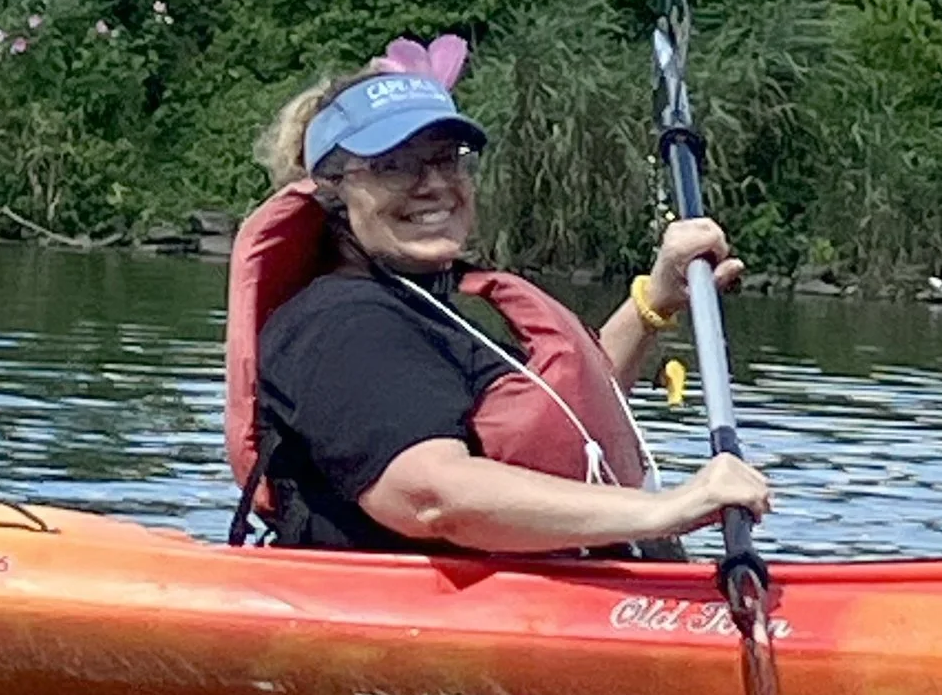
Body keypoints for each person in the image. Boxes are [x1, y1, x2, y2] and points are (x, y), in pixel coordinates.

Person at [239, 50, 773, 557]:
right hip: (424, 607)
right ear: (331, 192)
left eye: (446, 159)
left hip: (546, 588)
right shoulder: (342, 327)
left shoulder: (441, 302)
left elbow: (561, 414)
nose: (434, 185)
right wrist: (670, 507)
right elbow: (432, 496)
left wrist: (654, 301)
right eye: (394, 166)